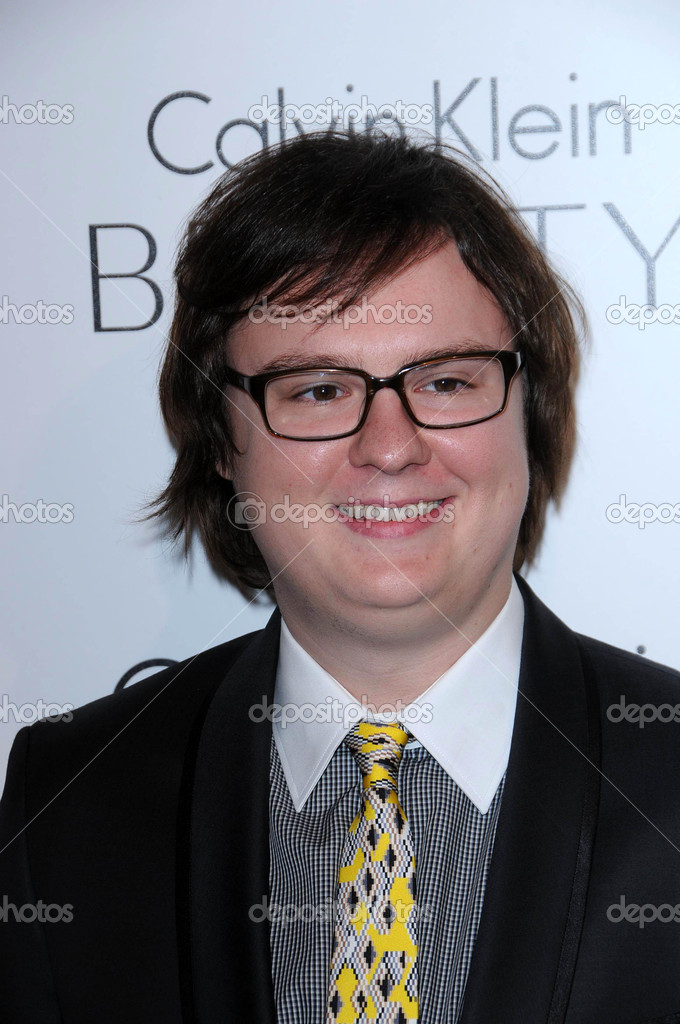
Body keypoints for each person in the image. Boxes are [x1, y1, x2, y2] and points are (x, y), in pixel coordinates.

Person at [2, 130, 680, 1024]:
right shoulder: (72, 804)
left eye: (443, 381)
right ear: (220, 442)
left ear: (532, 411)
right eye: (317, 389)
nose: (390, 447)